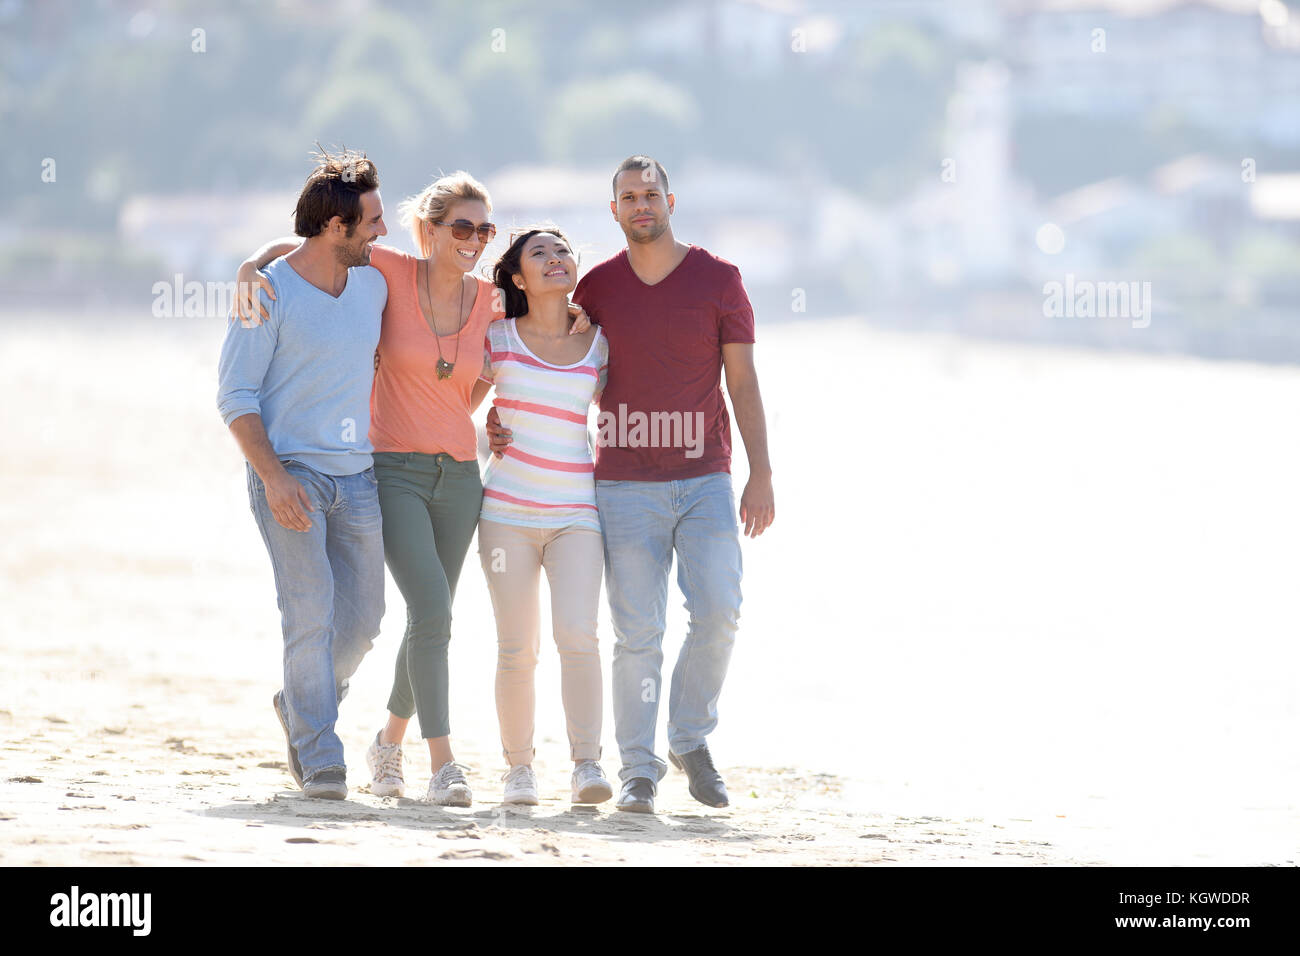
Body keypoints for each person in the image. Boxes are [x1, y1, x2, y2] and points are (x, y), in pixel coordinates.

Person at [233, 173, 591, 806]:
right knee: (428, 612)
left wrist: (485, 417)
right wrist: (249, 266)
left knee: (425, 619)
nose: (474, 240)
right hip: (387, 470)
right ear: (428, 229)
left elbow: (510, 362)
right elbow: (308, 248)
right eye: (461, 227)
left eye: (484, 230)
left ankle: (385, 743)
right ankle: (443, 763)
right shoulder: (389, 271)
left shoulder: (491, 300)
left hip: (459, 477)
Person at [488, 156, 775, 814]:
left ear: (670, 201)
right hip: (620, 486)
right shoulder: (596, 291)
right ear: (613, 210)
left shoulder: (720, 280)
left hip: (704, 478)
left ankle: (689, 736)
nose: (641, 204)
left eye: (651, 194)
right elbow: (542, 356)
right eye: (628, 197)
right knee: (636, 634)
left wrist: (761, 470)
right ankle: (638, 770)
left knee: (720, 610)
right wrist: (500, 422)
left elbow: (745, 384)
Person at [217, 148, 389, 800]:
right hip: (289, 477)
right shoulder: (268, 292)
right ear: (335, 228)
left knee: (366, 620)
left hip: (358, 480)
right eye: (372, 221)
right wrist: (275, 479)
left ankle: (300, 701)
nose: (382, 231)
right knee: (309, 615)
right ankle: (320, 753)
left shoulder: (372, 281)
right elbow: (236, 398)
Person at [473, 227, 613, 805]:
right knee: (516, 646)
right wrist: (487, 429)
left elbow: (627, 412)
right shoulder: (497, 338)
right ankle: (520, 770)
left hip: (576, 512)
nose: (555, 259)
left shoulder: (600, 344)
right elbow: (457, 405)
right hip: (505, 512)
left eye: (563, 250)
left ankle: (586, 765)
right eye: (540, 253)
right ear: (518, 277)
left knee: (578, 634)